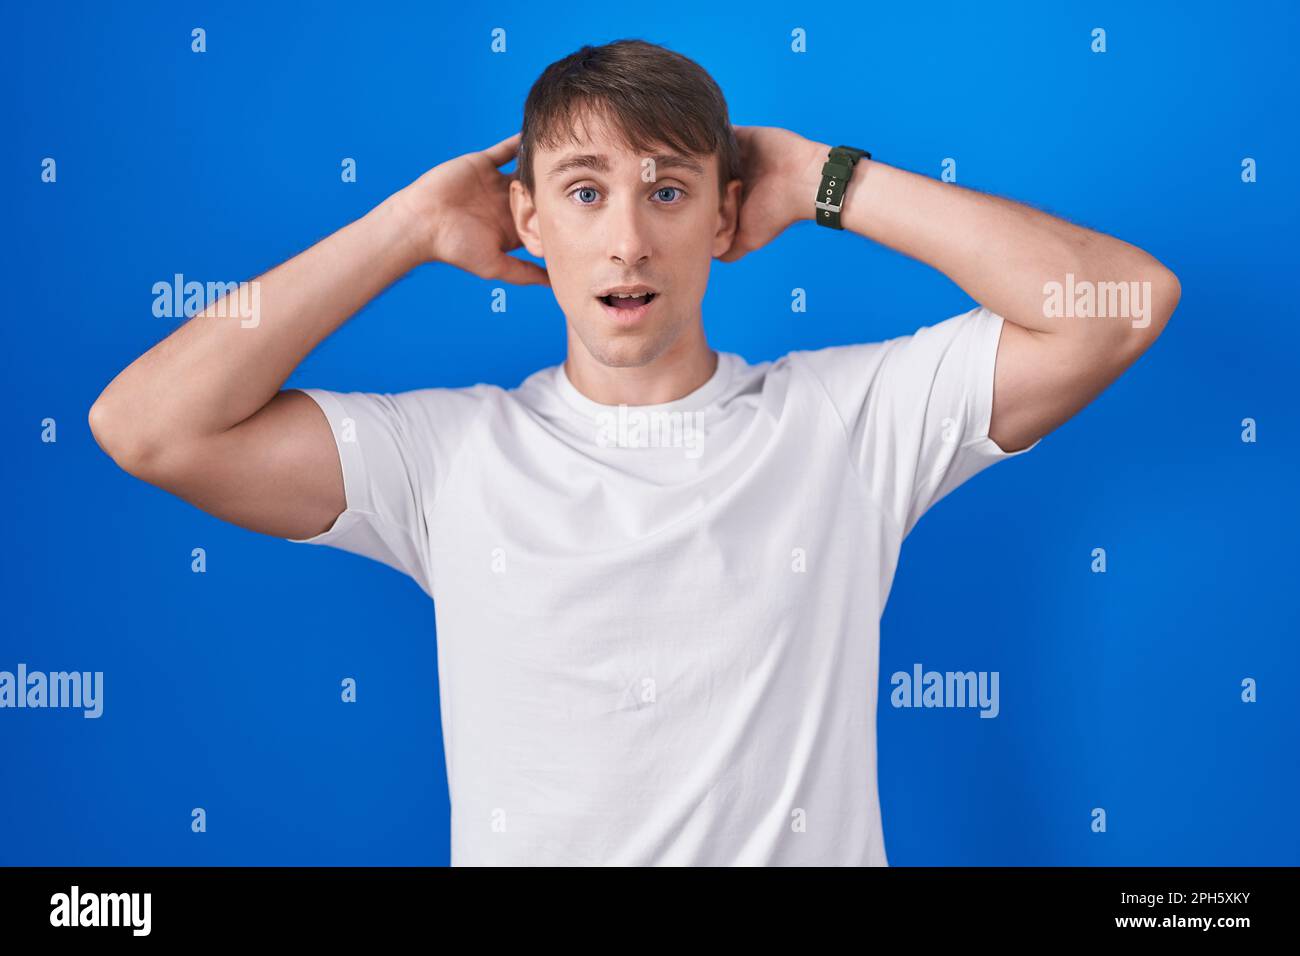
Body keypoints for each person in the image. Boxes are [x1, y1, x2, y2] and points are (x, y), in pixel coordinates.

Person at [88, 39, 1179, 865]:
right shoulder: (448, 455)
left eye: (667, 190)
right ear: (526, 217)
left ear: (724, 216)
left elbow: (1119, 307)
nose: (625, 239)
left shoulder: (847, 423)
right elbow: (148, 425)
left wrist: (816, 177)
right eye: (582, 191)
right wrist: (410, 224)